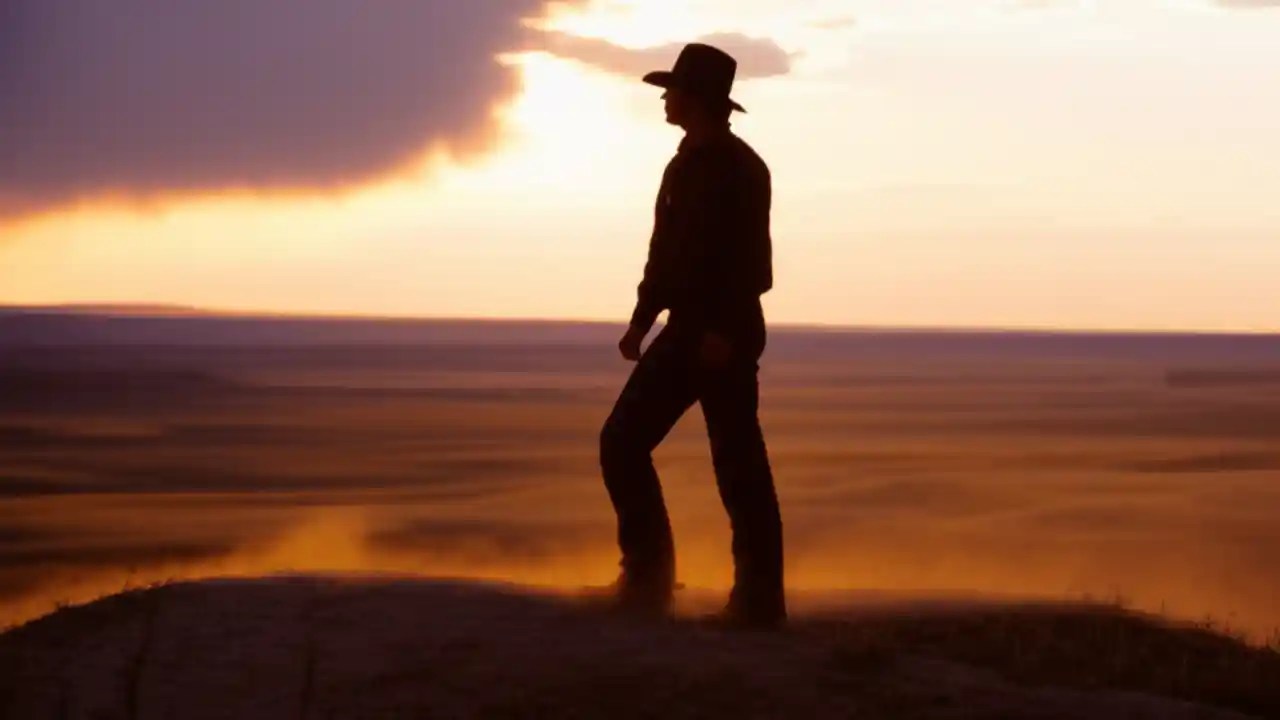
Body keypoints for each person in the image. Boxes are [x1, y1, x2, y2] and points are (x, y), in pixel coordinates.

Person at [597, 43, 785, 629]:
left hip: (722, 333)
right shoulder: (681, 167)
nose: (664, 99)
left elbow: (751, 263)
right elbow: (664, 255)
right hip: (687, 330)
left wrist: (723, 332)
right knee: (624, 442)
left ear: (695, 100)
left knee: (737, 466)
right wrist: (641, 321)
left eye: (672, 90)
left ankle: (755, 602)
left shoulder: (743, 170)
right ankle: (649, 580)